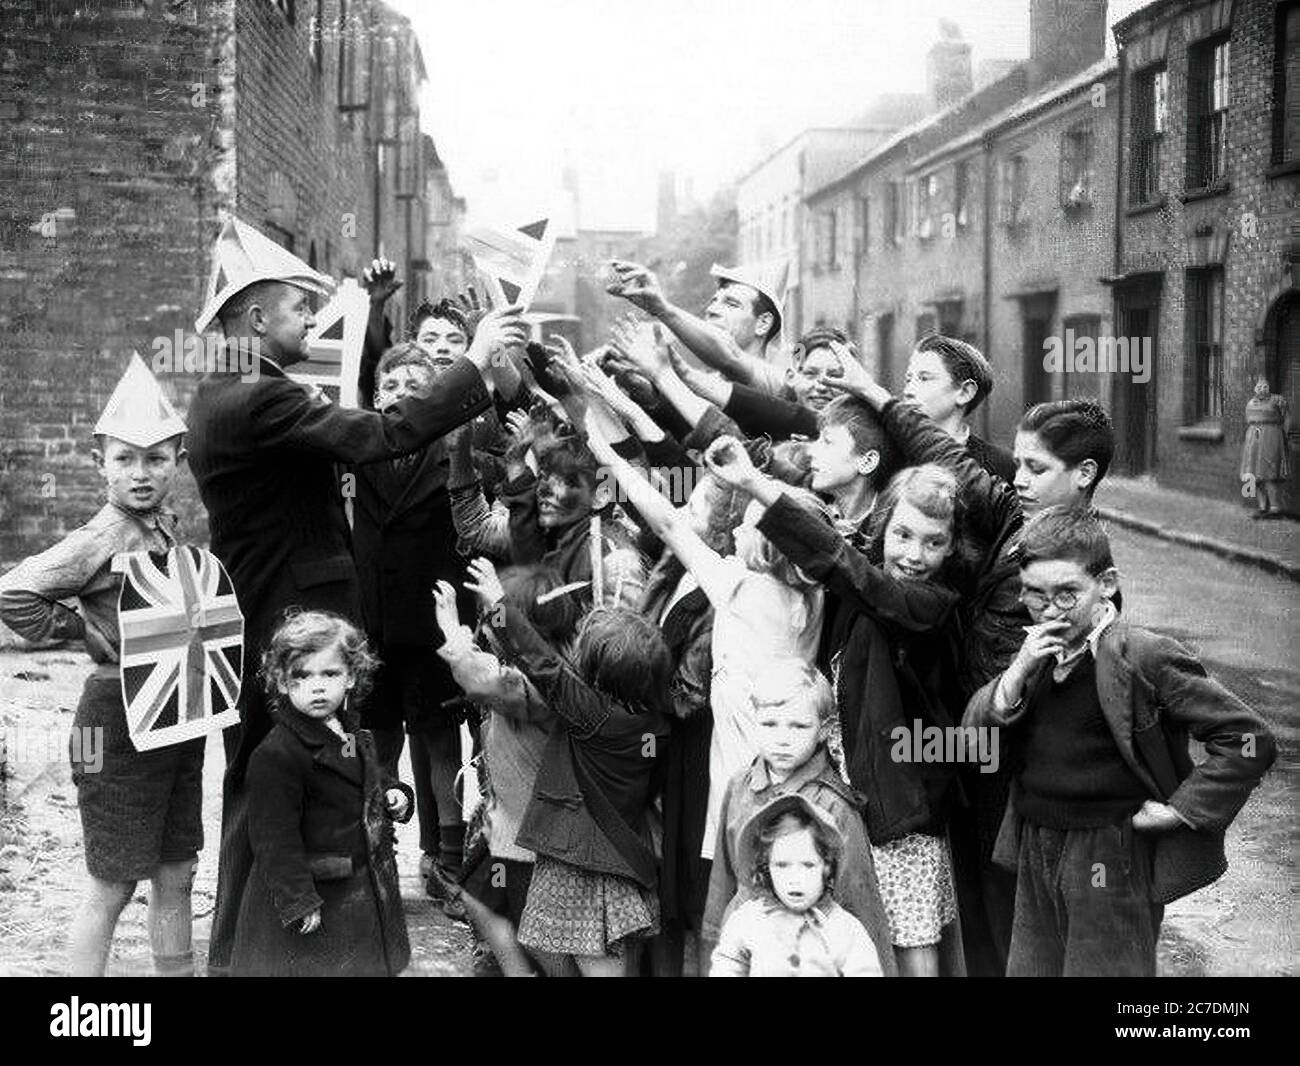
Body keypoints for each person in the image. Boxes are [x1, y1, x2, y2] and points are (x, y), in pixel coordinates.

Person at [186, 217, 525, 972]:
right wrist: (472, 363)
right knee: (293, 784)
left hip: (271, 614)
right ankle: (276, 956)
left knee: (268, 784)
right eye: (297, 307)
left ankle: (249, 952)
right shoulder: (259, 398)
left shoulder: (229, 391)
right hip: (292, 621)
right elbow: (382, 435)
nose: (310, 319)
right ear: (254, 319)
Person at [822, 358, 1117, 974]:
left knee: (1013, 918)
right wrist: (874, 392)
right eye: (1019, 464)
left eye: (1036, 468)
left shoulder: (1081, 572)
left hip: (1019, 769)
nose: (1019, 478)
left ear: (1084, 474)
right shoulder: (1017, 516)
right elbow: (949, 458)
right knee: (978, 913)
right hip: (972, 753)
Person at [964, 508, 1276, 976]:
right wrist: (1018, 671)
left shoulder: (1143, 655)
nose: (1049, 611)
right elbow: (973, 741)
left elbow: (1248, 739)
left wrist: (1181, 810)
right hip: (1035, 844)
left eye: (1066, 594)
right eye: (1034, 594)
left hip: (1106, 853)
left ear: (1106, 583)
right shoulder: (1034, 655)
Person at [708, 444, 971, 976]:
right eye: (903, 535)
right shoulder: (866, 582)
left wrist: (755, 484)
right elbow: (840, 560)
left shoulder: (929, 603)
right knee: (855, 935)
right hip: (855, 796)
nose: (915, 554)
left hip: (904, 805)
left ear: (951, 549)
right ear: (883, 528)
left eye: (934, 542)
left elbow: (852, 573)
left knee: (911, 937)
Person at [0, 355, 201, 977]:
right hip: (106, 722)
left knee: (178, 868)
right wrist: (79, 629)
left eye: (156, 459)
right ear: (99, 462)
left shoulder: (165, 527)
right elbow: (14, 591)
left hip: (174, 714)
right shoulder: (102, 536)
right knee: (111, 881)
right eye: (124, 459)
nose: (140, 473)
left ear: (178, 461)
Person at [579, 393, 824, 867]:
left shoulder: (743, 589)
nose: (738, 533)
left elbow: (668, 525)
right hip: (792, 759)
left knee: (733, 870)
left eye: (749, 527)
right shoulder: (812, 595)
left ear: (770, 546)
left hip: (742, 766)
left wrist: (608, 457)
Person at [465, 556, 672, 977]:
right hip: (624, 857)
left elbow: (542, 663)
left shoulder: (592, 714)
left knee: (592, 964)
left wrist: (499, 607)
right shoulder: (656, 724)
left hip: (584, 862)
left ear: (595, 673)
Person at [351, 340, 480, 896]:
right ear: (375, 399)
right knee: (378, 744)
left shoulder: (452, 455)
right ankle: (379, 851)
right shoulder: (359, 453)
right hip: (374, 624)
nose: (400, 396)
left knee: (439, 740)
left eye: (414, 387)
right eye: (390, 387)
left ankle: (448, 859)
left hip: (431, 623)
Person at [231, 611, 414, 977]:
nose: (317, 687)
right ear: (282, 682)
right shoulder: (277, 754)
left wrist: (392, 793)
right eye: (302, 675)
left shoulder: (346, 731)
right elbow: (272, 839)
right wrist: (298, 900)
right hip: (315, 893)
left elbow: (363, 776)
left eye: (329, 674)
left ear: (351, 677)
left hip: (358, 892)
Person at [429, 566, 583, 974]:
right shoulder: (538, 673)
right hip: (506, 835)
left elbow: (483, 680)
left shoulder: (539, 685)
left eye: (494, 617)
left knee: (537, 931)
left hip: (531, 846)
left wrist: (454, 632)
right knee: (480, 898)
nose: (485, 626)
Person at [701, 661, 895, 974]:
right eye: (770, 724)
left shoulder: (834, 805)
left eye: (798, 726)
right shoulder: (739, 787)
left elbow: (859, 900)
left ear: (824, 730)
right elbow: (722, 878)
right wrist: (713, 941)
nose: (782, 738)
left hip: (812, 951)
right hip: (748, 946)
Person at [710, 793, 884, 977]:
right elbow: (727, 965)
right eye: (782, 865)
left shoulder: (844, 928)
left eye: (808, 865)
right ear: (766, 868)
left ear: (827, 868)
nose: (795, 878)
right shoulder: (748, 919)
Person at [607, 258, 791, 396]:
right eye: (714, 301)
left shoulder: (784, 385)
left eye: (731, 304)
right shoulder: (704, 384)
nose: (712, 309)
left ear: (763, 323)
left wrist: (662, 309)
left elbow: (728, 354)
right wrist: (646, 392)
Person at [902, 333, 1016, 484]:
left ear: (965, 392)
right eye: (908, 380)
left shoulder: (1003, 466)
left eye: (924, 378)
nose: (908, 391)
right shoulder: (885, 454)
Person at [1240, 376, 1290, 518]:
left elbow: (1287, 418)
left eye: (1265, 386)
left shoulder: (1278, 400)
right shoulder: (1251, 403)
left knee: (1271, 471)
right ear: (1255, 389)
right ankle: (1262, 506)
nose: (1262, 389)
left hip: (1271, 437)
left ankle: (1275, 507)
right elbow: (1248, 419)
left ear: (1269, 388)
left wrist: (1284, 434)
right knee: (1254, 474)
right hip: (1253, 439)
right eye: (1259, 387)